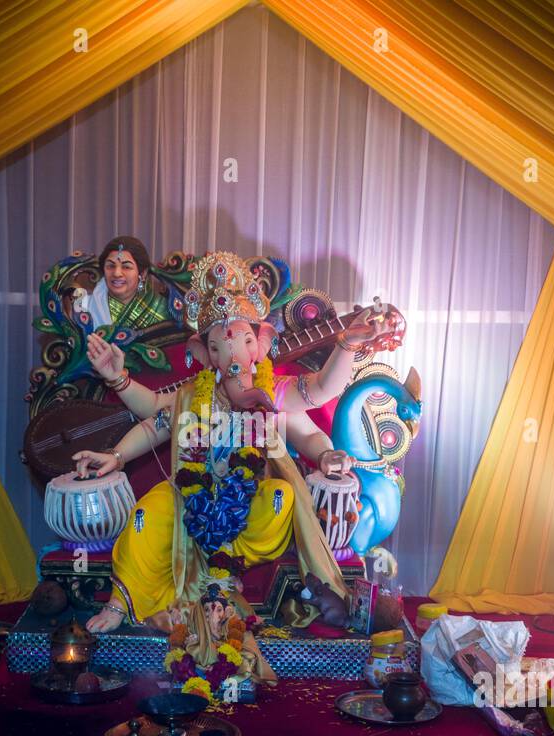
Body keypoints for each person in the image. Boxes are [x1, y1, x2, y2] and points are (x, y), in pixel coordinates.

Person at [71, 252, 397, 671]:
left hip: (249, 506)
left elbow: (318, 390)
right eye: (219, 346)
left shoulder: (270, 391)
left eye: (243, 341)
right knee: (147, 514)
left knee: (279, 495)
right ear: (204, 355)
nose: (234, 354)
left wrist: (348, 344)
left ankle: (227, 564)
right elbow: (154, 417)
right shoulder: (193, 394)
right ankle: (122, 601)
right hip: (192, 502)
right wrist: (115, 432)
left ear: (260, 344)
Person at [79, 235, 169, 331]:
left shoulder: (161, 311)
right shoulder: (84, 307)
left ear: (142, 273)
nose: (117, 273)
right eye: (111, 266)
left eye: (126, 267)